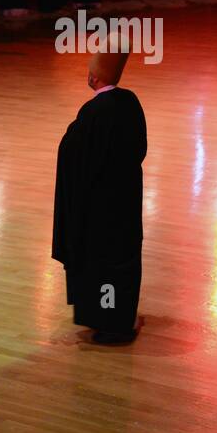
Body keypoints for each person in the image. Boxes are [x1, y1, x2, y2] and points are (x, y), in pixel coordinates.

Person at [52, 36, 148, 344]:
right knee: (124, 261)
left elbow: (74, 154)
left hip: (98, 209)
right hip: (126, 202)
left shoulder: (93, 113)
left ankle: (107, 326)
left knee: (100, 265)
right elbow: (140, 149)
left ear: (94, 76)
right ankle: (123, 318)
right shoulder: (131, 102)